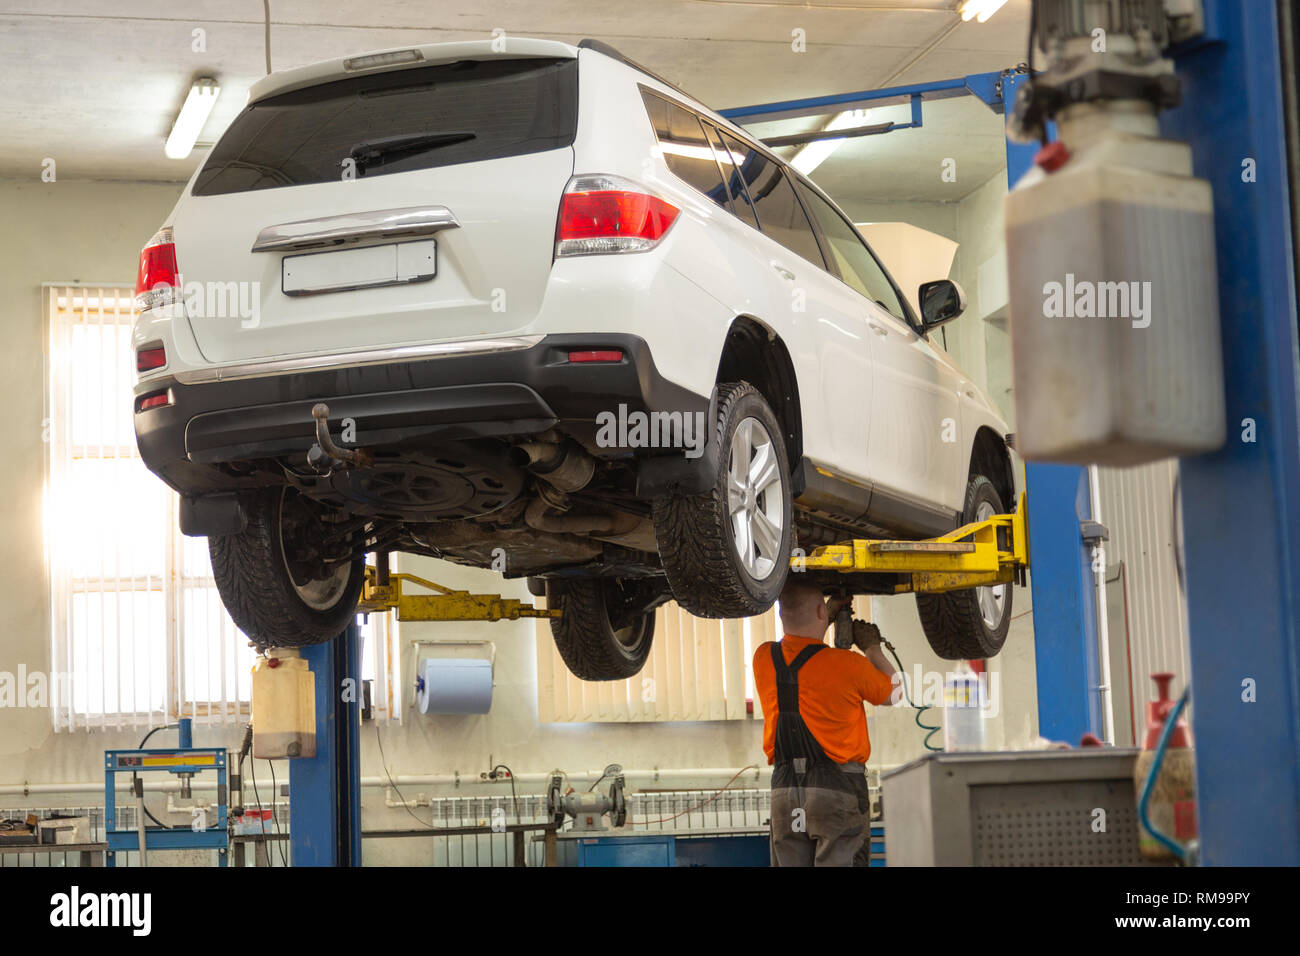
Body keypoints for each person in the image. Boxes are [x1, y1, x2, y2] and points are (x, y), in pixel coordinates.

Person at [752, 579, 898, 866]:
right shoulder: (848, 664)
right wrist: (872, 648)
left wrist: (826, 612)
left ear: (780, 615)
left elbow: (803, 638)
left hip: (785, 792)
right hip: (836, 789)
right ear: (821, 613)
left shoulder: (763, 657)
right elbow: (894, 692)